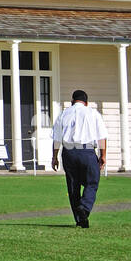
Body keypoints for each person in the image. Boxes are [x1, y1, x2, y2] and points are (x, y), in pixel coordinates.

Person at [51, 90, 108, 228]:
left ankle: (80, 219)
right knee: (92, 182)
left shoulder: (63, 114)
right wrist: (103, 155)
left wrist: (55, 157)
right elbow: (102, 137)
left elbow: (57, 138)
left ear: (72, 101)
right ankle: (84, 207)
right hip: (87, 151)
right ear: (86, 102)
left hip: (68, 152)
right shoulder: (93, 113)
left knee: (73, 186)